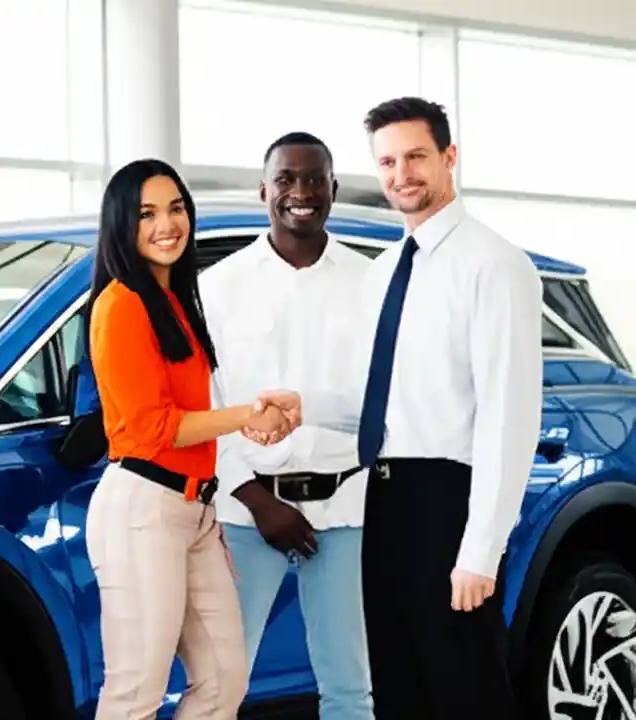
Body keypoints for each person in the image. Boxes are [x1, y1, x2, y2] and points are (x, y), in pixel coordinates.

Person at [261, 97, 541, 718]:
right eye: (387, 161)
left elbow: (508, 417)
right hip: (384, 500)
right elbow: (377, 398)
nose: (401, 174)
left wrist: (480, 550)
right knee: (398, 685)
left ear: (449, 157)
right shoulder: (385, 269)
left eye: (416, 156)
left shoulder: (495, 265)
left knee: (463, 688)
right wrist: (305, 406)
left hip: (449, 501)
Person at [84, 157, 300, 720]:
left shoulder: (175, 300)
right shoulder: (121, 304)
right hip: (142, 510)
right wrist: (245, 416)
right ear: (121, 225)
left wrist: (256, 416)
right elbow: (158, 427)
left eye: (176, 208)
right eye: (147, 213)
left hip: (194, 508)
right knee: (136, 692)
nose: (167, 224)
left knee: (225, 679)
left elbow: (193, 412)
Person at [199, 132, 373, 719]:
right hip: (248, 513)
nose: (300, 192)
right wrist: (254, 500)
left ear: (333, 189)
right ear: (264, 190)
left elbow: (383, 398)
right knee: (221, 685)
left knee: (350, 688)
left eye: (313, 179)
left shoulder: (368, 282)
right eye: (286, 180)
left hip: (347, 508)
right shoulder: (217, 286)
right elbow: (206, 405)